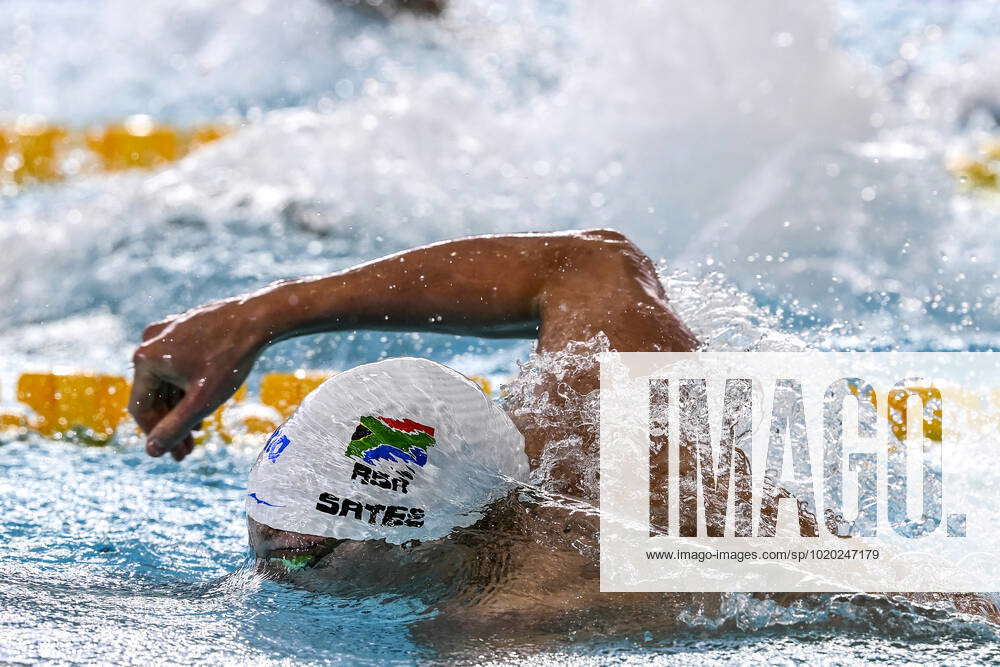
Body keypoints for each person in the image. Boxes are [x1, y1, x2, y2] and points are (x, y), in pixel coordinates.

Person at [129, 229, 999, 638]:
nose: (269, 552)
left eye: (307, 548)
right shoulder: (583, 417)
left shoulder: (516, 621)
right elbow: (589, 263)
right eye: (265, 519)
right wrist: (253, 317)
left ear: (435, 538)